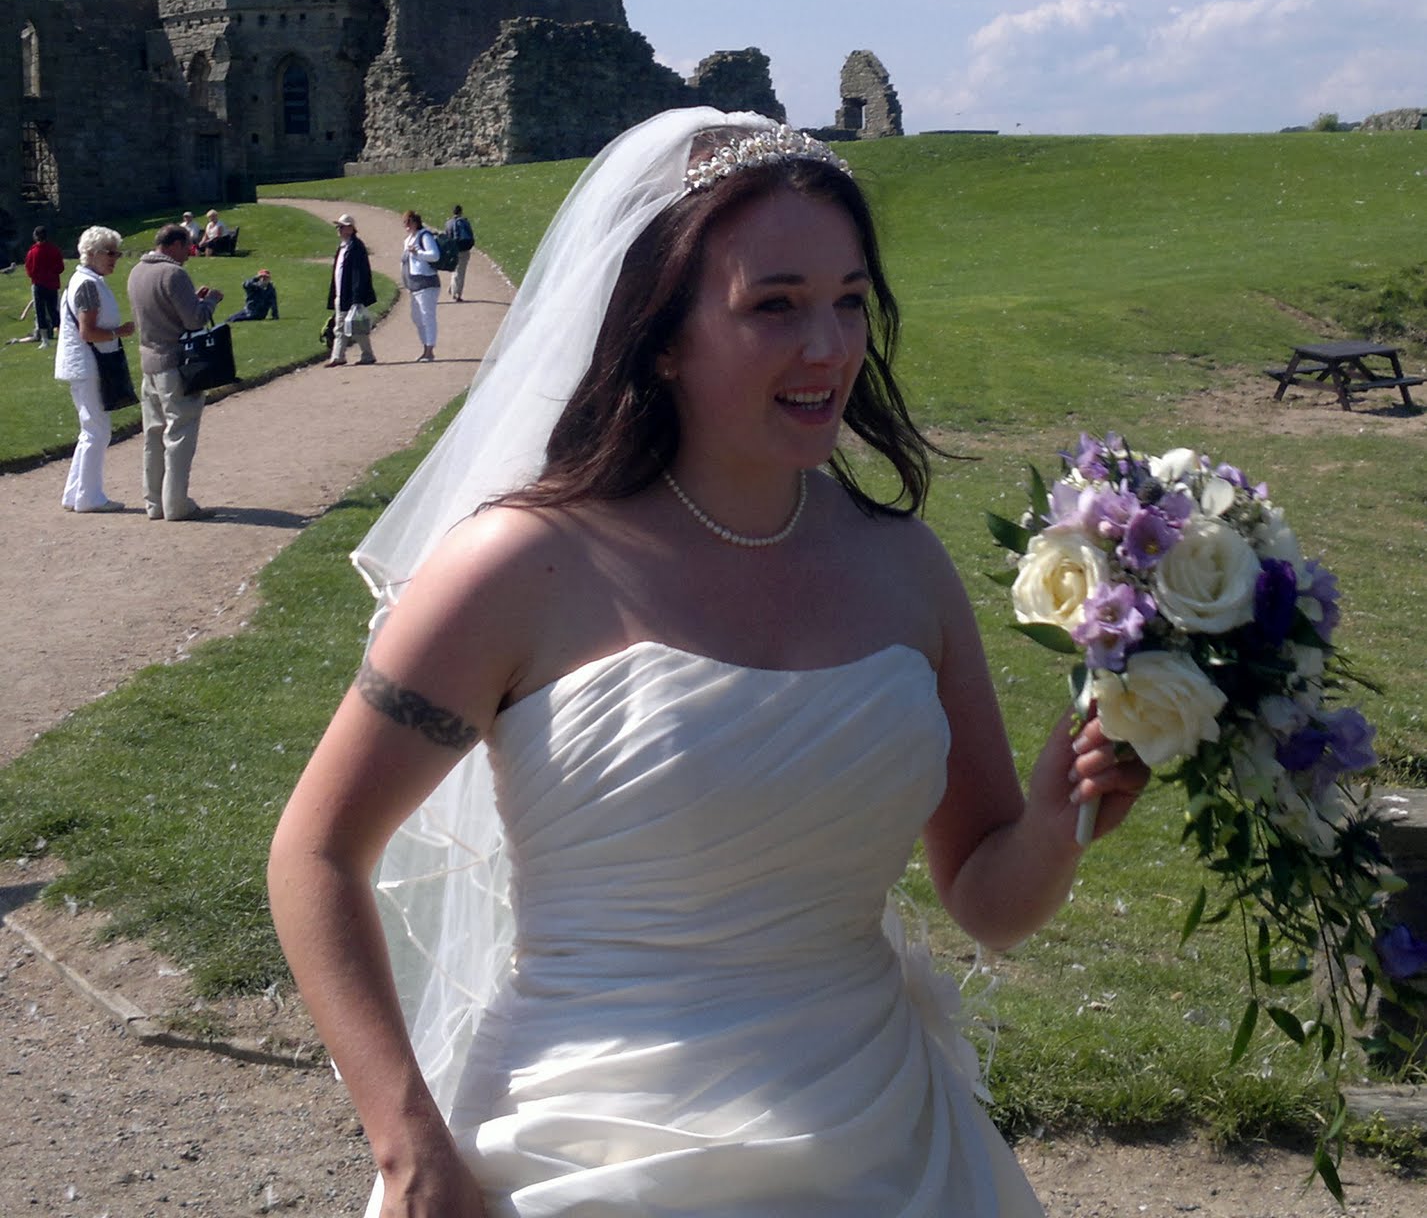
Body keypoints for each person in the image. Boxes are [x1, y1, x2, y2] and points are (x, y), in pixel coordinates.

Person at [271, 109, 1150, 1217]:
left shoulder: (903, 568)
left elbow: (986, 898)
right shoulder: (521, 564)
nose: (826, 348)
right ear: (665, 331)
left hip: (891, 1149)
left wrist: (1055, 817)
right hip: (583, 1152)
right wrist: (407, 1142)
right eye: (772, 305)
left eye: (845, 301)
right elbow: (316, 852)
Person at [127, 223, 223, 522]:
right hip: (175, 364)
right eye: (187, 247)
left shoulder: (136, 271)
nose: (190, 253)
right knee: (180, 434)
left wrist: (191, 299)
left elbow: (162, 310)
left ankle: (153, 502)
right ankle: (176, 504)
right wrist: (210, 301)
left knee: (153, 436)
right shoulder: (173, 273)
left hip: (149, 363)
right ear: (175, 245)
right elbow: (194, 321)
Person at [54, 226, 134, 513]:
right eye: (108, 253)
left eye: (116, 252)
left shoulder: (88, 280)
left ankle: (75, 493)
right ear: (90, 254)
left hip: (86, 364)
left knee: (91, 429)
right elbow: (88, 332)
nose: (114, 258)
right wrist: (119, 332)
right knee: (97, 431)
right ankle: (90, 497)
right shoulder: (87, 284)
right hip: (88, 364)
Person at [327, 214, 378, 367]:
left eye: (342, 226)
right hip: (341, 294)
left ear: (350, 228)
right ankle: (351, 355)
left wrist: (356, 298)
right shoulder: (344, 246)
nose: (339, 229)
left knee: (347, 326)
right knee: (346, 326)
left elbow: (359, 273)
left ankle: (339, 356)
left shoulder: (356, 247)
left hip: (350, 295)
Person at [400, 209, 441, 361]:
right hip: (414, 285)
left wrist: (417, 253)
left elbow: (435, 255)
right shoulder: (408, 239)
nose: (406, 225)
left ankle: (429, 350)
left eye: (408, 222)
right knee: (417, 318)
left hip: (427, 282)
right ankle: (425, 347)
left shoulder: (425, 236)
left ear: (415, 222)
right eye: (404, 222)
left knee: (427, 316)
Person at [24, 225, 65, 350]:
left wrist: (36, 276)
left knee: (40, 311)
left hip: (38, 285)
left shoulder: (33, 251)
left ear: (35, 236)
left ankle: (45, 340)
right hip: (52, 284)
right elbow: (60, 268)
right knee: (53, 311)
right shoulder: (54, 249)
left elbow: (29, 269)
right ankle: (61, 336)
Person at [444, 202, 475, 302]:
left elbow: (447, 237)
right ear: (461, 212)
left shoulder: (448, 223)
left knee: (456, 270)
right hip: (464, 250)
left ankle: (452, 288)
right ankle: (457, 294)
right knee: (460, 272)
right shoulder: (465, 222)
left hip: (453, 250)